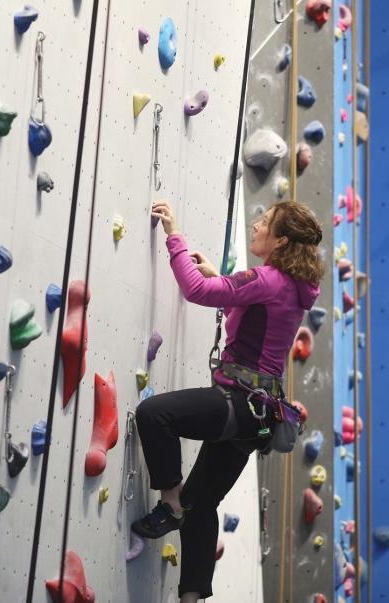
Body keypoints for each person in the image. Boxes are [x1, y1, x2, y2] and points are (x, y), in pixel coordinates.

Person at [131, 199, 324, 602]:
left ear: (280, 240)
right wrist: (225, 278)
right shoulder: (290, 286)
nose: (256, 225)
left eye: (265, 222)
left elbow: (197, 291)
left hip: (238, 403)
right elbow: (247, 310)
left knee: (155, 414)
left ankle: (169, 504)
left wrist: (174, 237)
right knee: (203, 504)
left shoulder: (268, 278)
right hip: (258, 417)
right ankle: (192, 597)